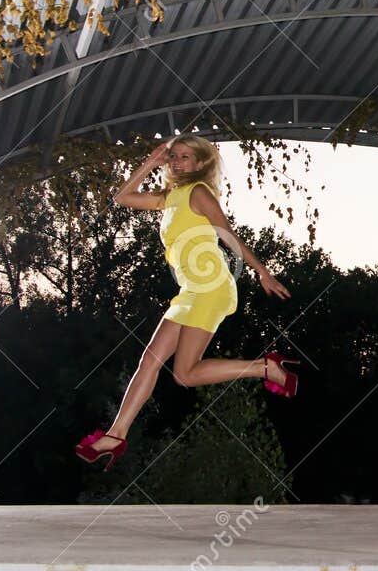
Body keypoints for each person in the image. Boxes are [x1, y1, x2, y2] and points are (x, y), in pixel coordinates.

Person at [74, 134, 295, 468]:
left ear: (200, 163)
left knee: (185, 375)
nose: (177, 162)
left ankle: (267, 368)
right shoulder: (170, 197)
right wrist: (150, 163)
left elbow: (228, 234)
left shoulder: (199, 192)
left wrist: (262, 272)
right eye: (174, 156)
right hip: (190, 290)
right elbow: (123, 197)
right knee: (149, 360)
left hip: (211, 287)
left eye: (185, 157)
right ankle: (116, 436)